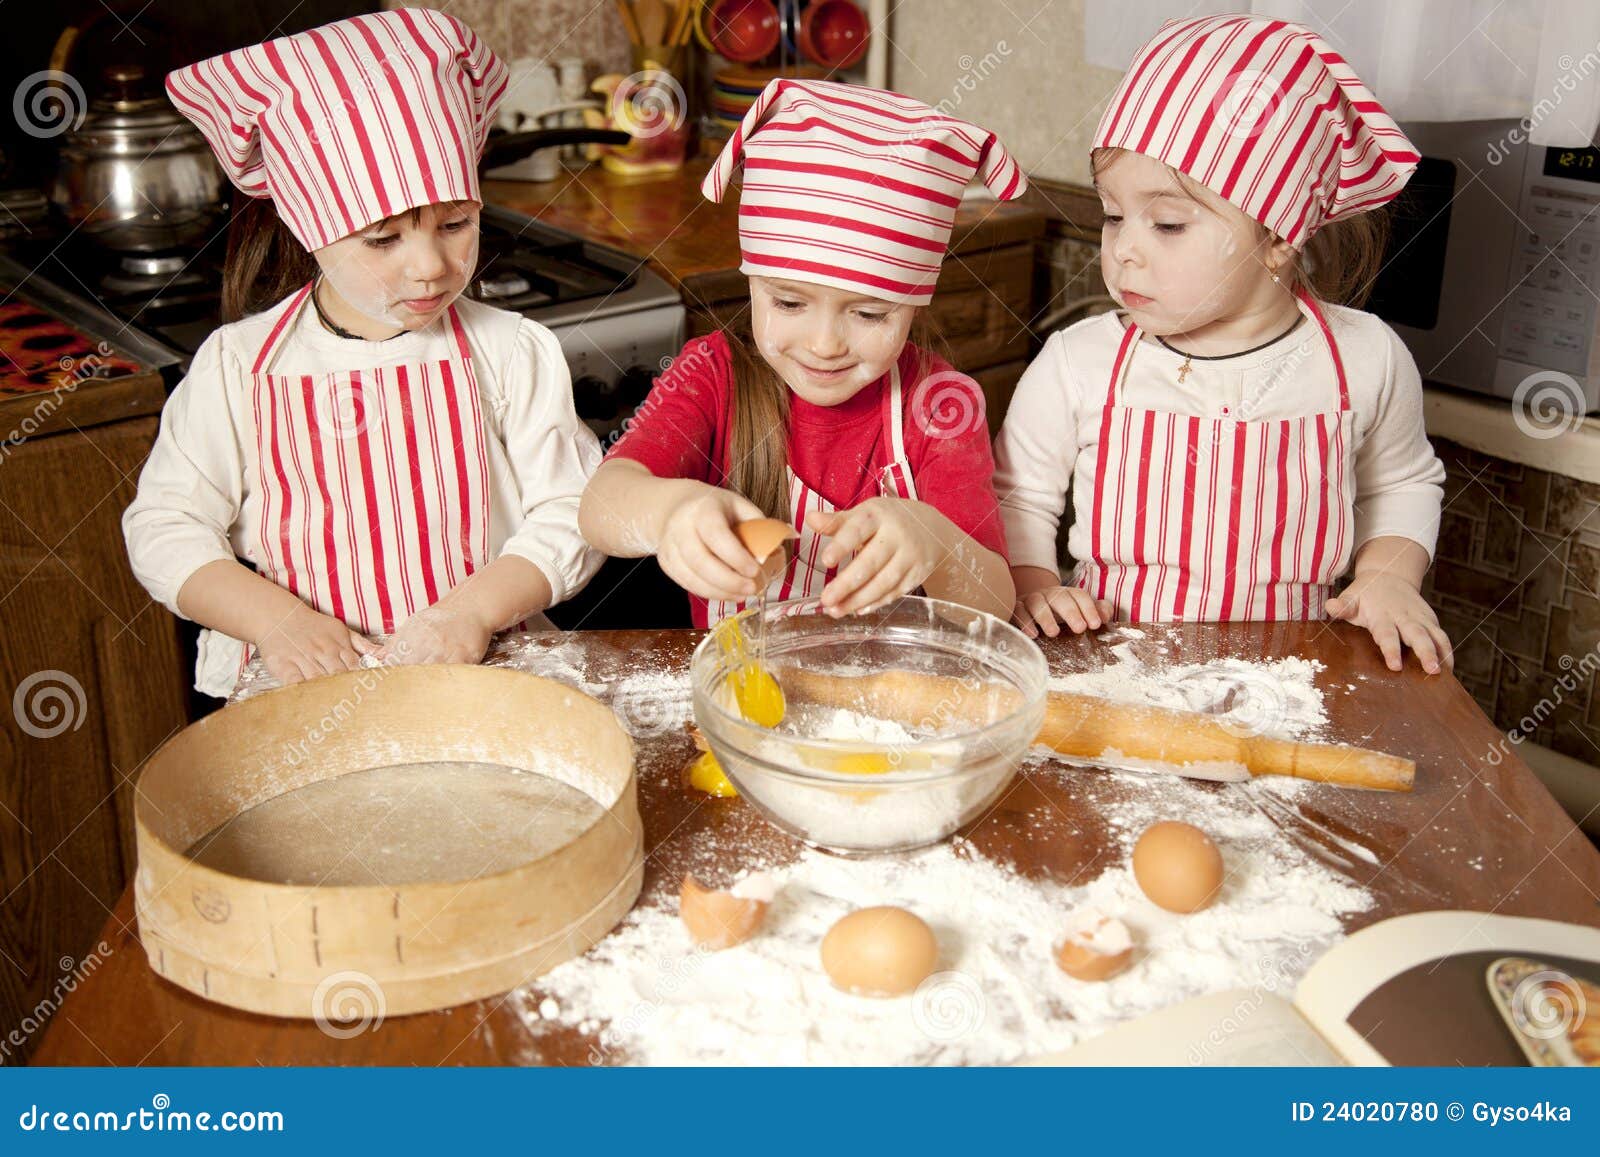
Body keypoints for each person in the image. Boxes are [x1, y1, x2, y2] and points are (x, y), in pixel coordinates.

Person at [124, 9, 602, 696]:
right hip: (302, 691)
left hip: (489, 678)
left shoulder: (511, 351)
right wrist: (278, 620)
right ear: (307, 226)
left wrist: (471, 610)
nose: (429, 267)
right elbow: (164, 527)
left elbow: (574, 511)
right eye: (384, 240)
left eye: (456, 223)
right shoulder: (241, 365)